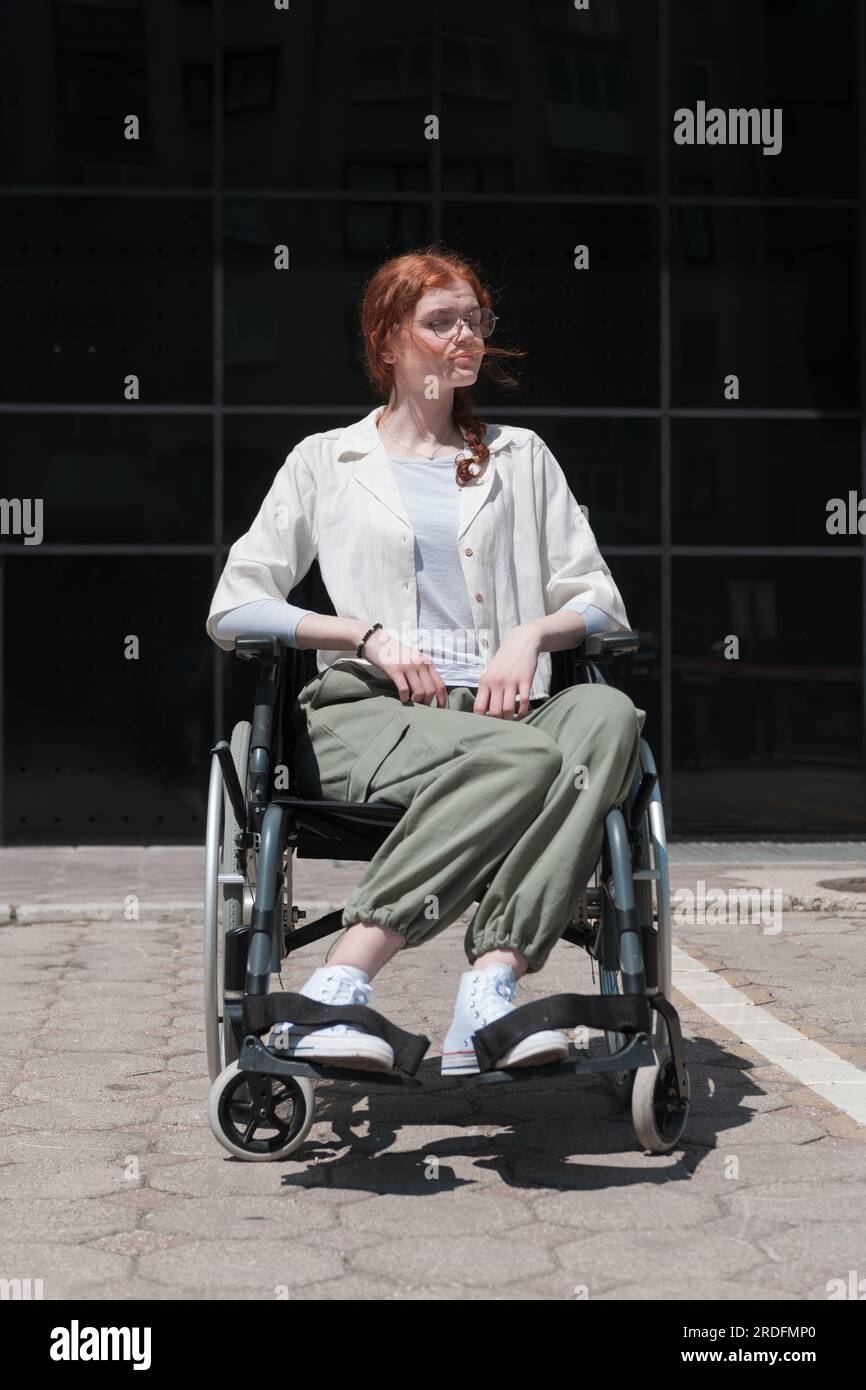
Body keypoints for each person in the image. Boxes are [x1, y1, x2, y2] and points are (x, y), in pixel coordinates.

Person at [206, 245, 645, 1077]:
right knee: (526, 758)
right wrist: (361, 634)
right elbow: (234, 605)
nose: (464, 338)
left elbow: (600, 602)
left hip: (503, 710)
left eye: (474, 320)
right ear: (387, 341)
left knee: (608, 716)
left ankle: (490, 989)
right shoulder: (325, 461)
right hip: (375, 714)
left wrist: (530, 636)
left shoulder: (521, 457)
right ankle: (341, 981)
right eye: (440, 322)